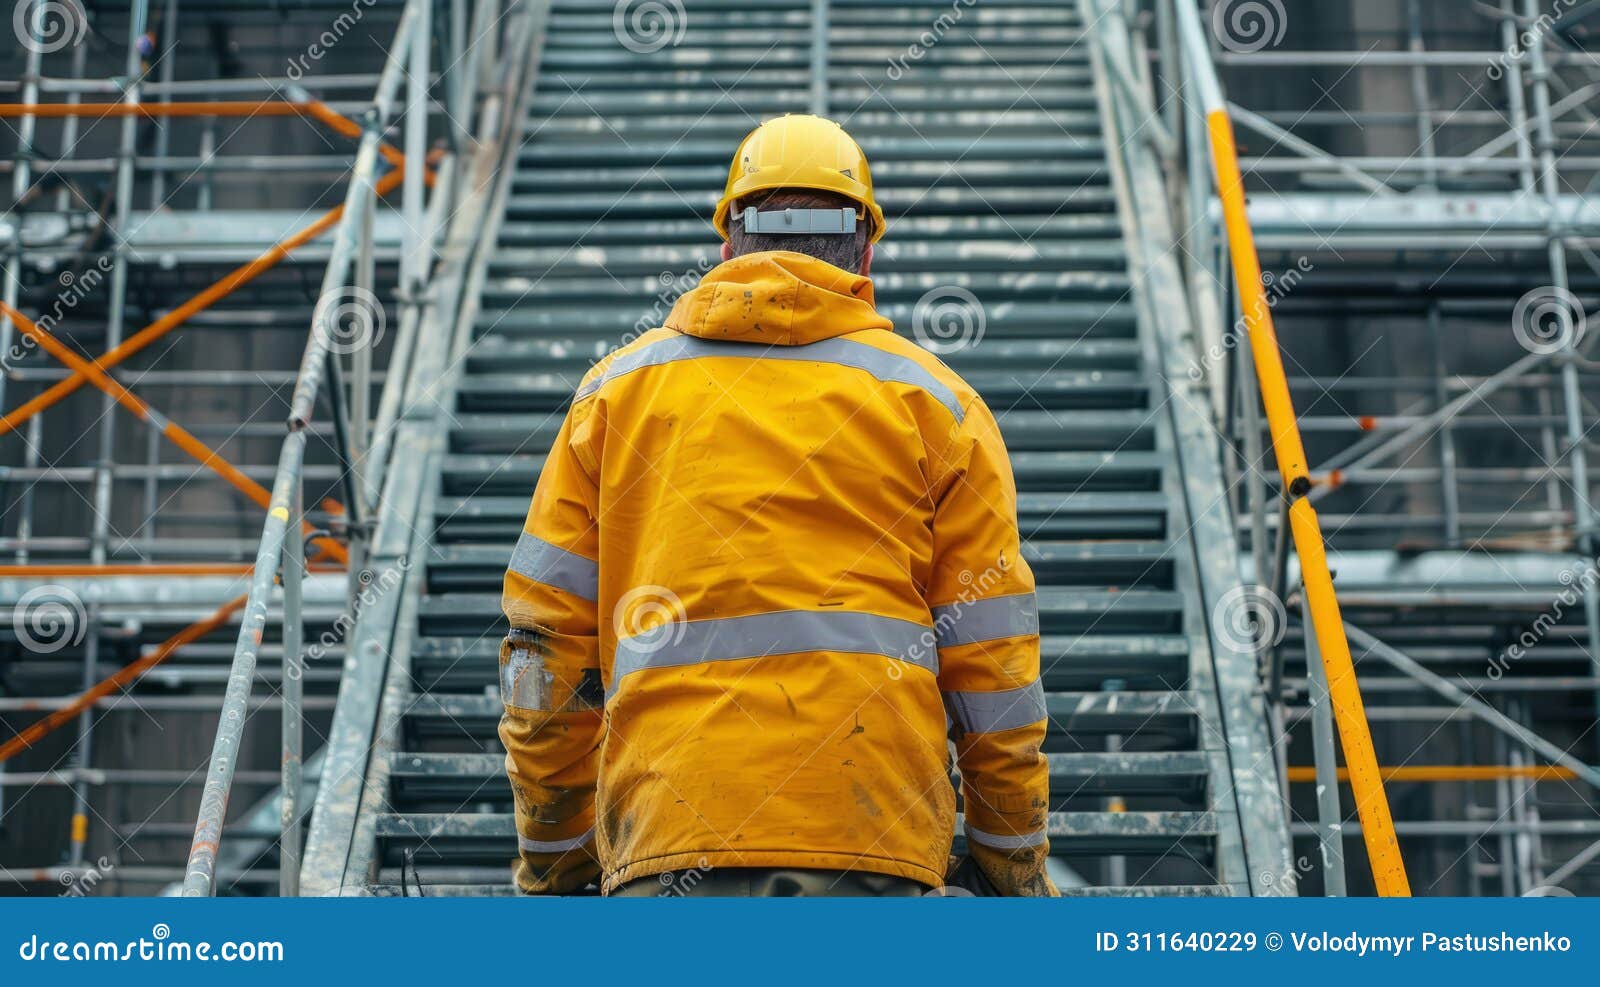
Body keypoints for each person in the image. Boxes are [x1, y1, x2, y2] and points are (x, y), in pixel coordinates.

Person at [498, 114, 1055, 897]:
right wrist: (1011, 863)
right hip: (873, 845)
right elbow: (993, 666)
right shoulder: (937, 405)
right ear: (865, 252)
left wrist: (556, 858)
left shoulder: (615, 396)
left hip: (665, 841)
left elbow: (542, 652)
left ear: (729, 245)